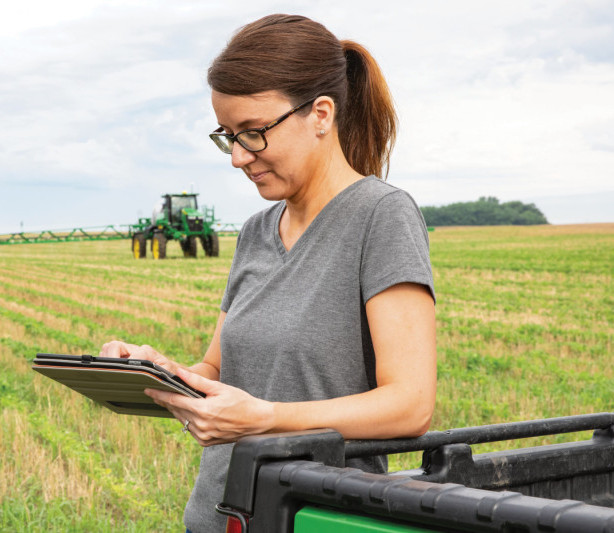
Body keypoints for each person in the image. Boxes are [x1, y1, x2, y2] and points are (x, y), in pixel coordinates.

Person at [100, 14, 436, 532]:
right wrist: (158, 370)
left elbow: (410, 405)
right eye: (228, 136)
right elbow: (217, 372)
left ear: (321, 114)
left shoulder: (381, 216)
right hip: (220, 513)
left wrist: (268, 418)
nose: (237, 157)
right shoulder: (256, 230)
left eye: (253, 133)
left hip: (319, 517)